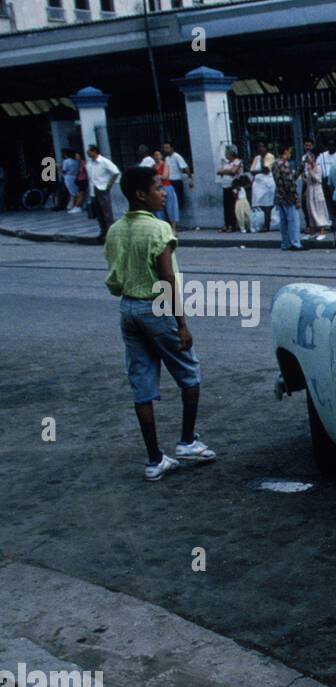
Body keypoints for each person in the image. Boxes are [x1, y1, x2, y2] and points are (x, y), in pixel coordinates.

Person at [104, 165, 215, 482]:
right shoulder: (159, 229)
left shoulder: (115, 231)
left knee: (142, 383)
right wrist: (182, 323)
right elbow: (167, 278)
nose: (164, 191)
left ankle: (154, 459)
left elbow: (114, 279)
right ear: (141, 194)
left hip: (128, 309)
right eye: (157, 187)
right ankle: (187, 441)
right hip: (157, 308)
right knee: (189, 372)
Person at [85, 144, 120, 241]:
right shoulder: (89, 163)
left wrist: (109, 185)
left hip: (102, 188)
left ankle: (111, 233)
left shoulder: (104, 161)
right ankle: (103, 231)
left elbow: (115, 172)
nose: (88, 153)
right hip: (93, 189)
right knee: (98, 212)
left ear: (95, 151)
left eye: (89, 151)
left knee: (106, 212)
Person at [272, 146, 303, 252]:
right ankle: (295, 243)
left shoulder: (275, 164)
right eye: (289, 152)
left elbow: (290, 178)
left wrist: (299, 171)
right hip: (288, 197)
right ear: (285, 152)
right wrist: (296, 199)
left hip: (279, 196)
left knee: (284, 222)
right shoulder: (284, 164)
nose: (290, 155)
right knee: (293, 221)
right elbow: (290, 183)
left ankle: (285, 243)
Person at [249, 142, 276, 232]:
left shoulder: (270, 156)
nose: (260, 148)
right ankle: (258, 224)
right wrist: (259, 170)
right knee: (258, 204)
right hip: (258, 184)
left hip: (267, 184)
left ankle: (267, 224)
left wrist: (259, 169)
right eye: (259, 147)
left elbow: (266, 169)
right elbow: (252, 171)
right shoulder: (256, 158)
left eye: (262, 146)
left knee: (267, 204)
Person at [302, 152, 329, 241]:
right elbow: (307, 180)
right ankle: (312, 231)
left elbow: (315, 180)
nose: (307, 160)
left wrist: (310, 171)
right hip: (310, 191)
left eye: (308, 158)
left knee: (319, 209)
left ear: (313, 158)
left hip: (317, 190)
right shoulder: (307, 167)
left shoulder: (318, 167)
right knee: (311, 210)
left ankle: (322, 231)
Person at [152, 150, 179, 234]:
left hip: (166, 187)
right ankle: (163, 229)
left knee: (171, 208)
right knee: (158, 209)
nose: (157, 157)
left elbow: (165, 176)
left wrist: (157, 177)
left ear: (161, 156)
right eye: (155, 155)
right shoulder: (153, 166)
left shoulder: (165, 164)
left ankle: (173, 228)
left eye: (158, 155)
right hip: (158, 188)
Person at [216, 146, 242, 233]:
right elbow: (219, 172)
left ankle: (232, 225)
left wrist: (225, 171)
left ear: (232, 154)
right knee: (226, 206)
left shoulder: (237, 161)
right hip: (225, 186)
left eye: (227, 153)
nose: (226, 154)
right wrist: (227, 171)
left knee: (232, 206)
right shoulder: (226, 163)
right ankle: (226, 224)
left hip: (233, 187)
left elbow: (234, 171)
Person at [161, 142, 192, 214]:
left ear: (171, 148)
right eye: (164, 148)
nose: (165, 150)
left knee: (178, 202)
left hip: (176, 181)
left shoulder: (177, 156)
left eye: (167, 148)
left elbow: (185, 167)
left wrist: (190, 178)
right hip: (169, 183)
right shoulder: (166, 158)